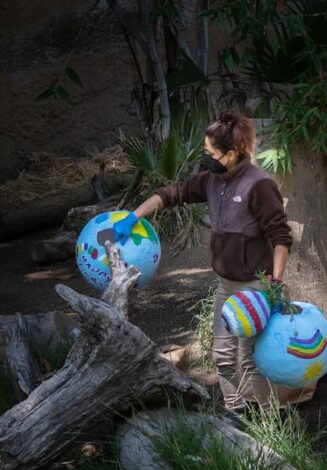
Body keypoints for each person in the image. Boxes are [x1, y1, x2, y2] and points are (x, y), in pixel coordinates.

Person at [112, 111, 293, 410]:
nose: (205, 157)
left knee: (249, 358)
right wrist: (133, 217)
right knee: (222, 356)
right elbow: (172, 193)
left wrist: (275, 283)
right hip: (226, 285)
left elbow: (281, 237)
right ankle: (237, 412)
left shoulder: (259, 185)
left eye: (210, 153)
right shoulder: (212, 179)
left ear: (232, 154)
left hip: (255, 287)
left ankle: (271, 418)